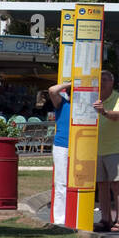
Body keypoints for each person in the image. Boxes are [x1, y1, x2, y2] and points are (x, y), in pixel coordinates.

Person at [93, 71, 119, 232]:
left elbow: (117, 115)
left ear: (112, 82)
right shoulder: (93, 97)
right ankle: (105, 218)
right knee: (102, 185)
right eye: (100, 79)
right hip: (96, 148)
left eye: (106, 79)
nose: (102, 82)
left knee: (116, 184)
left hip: (115, 148)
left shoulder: (118, 97)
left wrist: (104, 111)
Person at [49, 82, 71, 224]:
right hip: (62, 146)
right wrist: (71, 82)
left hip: (80, 147)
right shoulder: (62, 103)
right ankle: (59, 219)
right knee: (61, 182)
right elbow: (52, 90)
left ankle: (71, 215)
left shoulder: (88, 106)